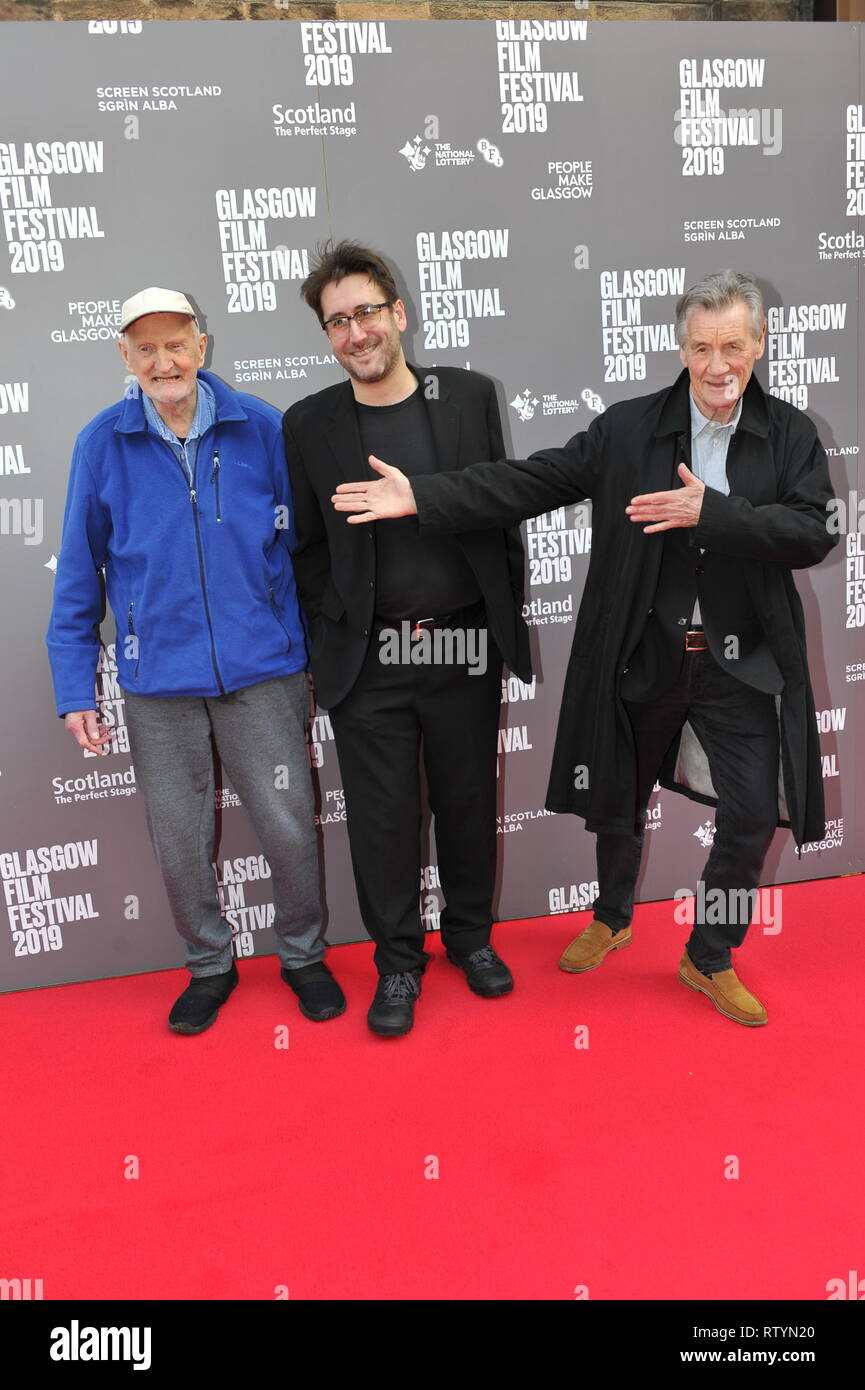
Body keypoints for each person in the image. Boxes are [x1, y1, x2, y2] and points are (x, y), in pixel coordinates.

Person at [332, 269, 838, 1028]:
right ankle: (611, 913)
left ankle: (709, 952)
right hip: (642, 654)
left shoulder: (791, 434)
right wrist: (424, 497)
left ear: (759, 343)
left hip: (739, 663)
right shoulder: (629, 428)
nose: (716, 364)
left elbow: (813, 532)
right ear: (680, 348)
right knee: (615, 798)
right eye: (700, 347)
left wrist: (715, 513)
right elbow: (534, 480)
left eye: (733, 345)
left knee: (748, 813)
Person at [47, 286, 345, 1034]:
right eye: (144, 348)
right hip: (158, 683)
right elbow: (81, 574)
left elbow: (310, 552)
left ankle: (304, 955)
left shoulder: (264, 429)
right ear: (125, 357)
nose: (163, 360)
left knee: (285, 822)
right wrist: (72, 684)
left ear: (201, 346)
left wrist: (314, 651)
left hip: (264, 672)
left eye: (175, 342)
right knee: (178, 835)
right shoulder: (100, 444)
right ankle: (208, 963)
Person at [283, 241, 531, 1037]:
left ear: (397, 313)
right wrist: (338, 629)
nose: (353, 333)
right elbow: (309, 548)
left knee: (466, 804)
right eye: (335, 323)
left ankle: (468, 940)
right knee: (384, 821)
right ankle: (397, 964)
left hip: (461, 646)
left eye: (364, 313)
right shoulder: (309, 423)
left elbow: (499, 507)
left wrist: (491, 614)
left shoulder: (465, 397)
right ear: (327, 336)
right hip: (370, 658)